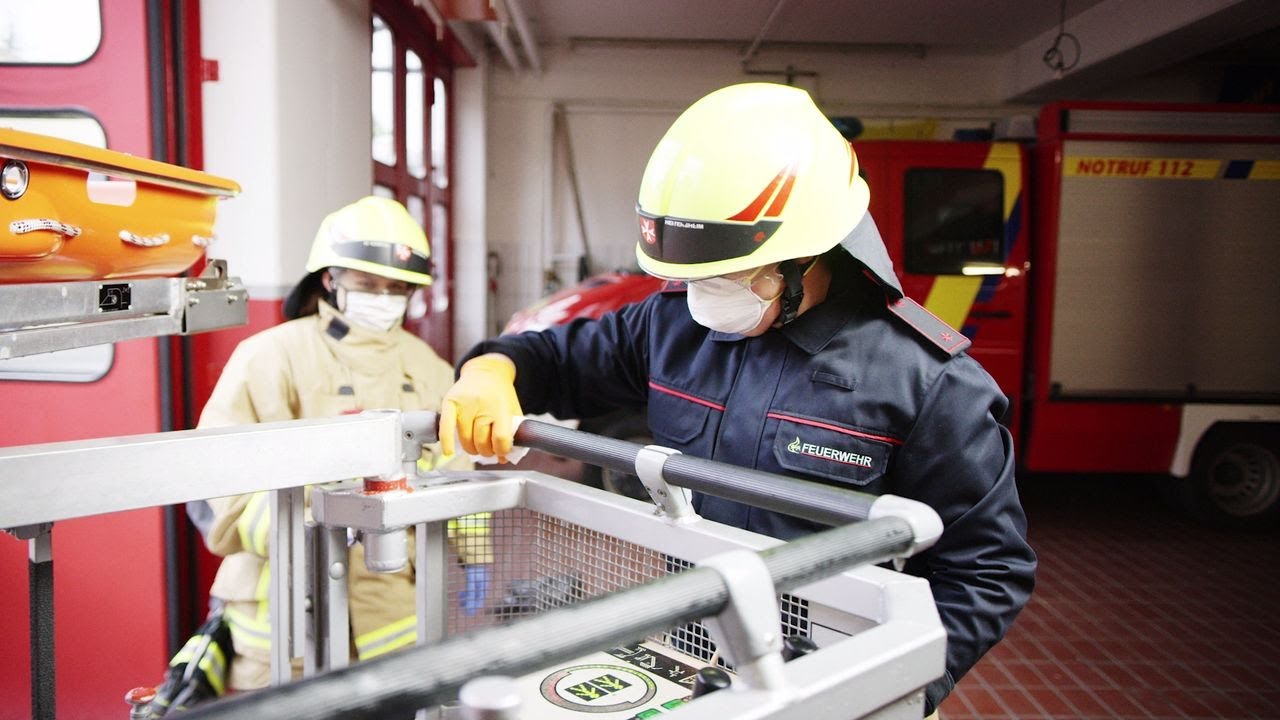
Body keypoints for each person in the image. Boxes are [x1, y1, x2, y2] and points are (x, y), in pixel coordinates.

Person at [439, 83, 1035, 716]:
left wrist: (893, 688)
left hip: (849, 679)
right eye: (692, 277)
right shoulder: (670, 328)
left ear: (811, 252)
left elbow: (986, 571)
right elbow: (553, 360)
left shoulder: (928, 381)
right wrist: (492, 370)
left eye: (724, 276)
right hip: (695, 662)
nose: (703, 296)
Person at [197, 196, 487, 692]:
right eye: (367, 283)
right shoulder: (271, 355)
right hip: (280, 611)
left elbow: (457, 467)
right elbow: (215, 479)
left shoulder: (430, 368)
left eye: (397, 287)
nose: (383, 296)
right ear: (329, 278)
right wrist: (311, 522)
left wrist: (476, 554)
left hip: (392, 607)